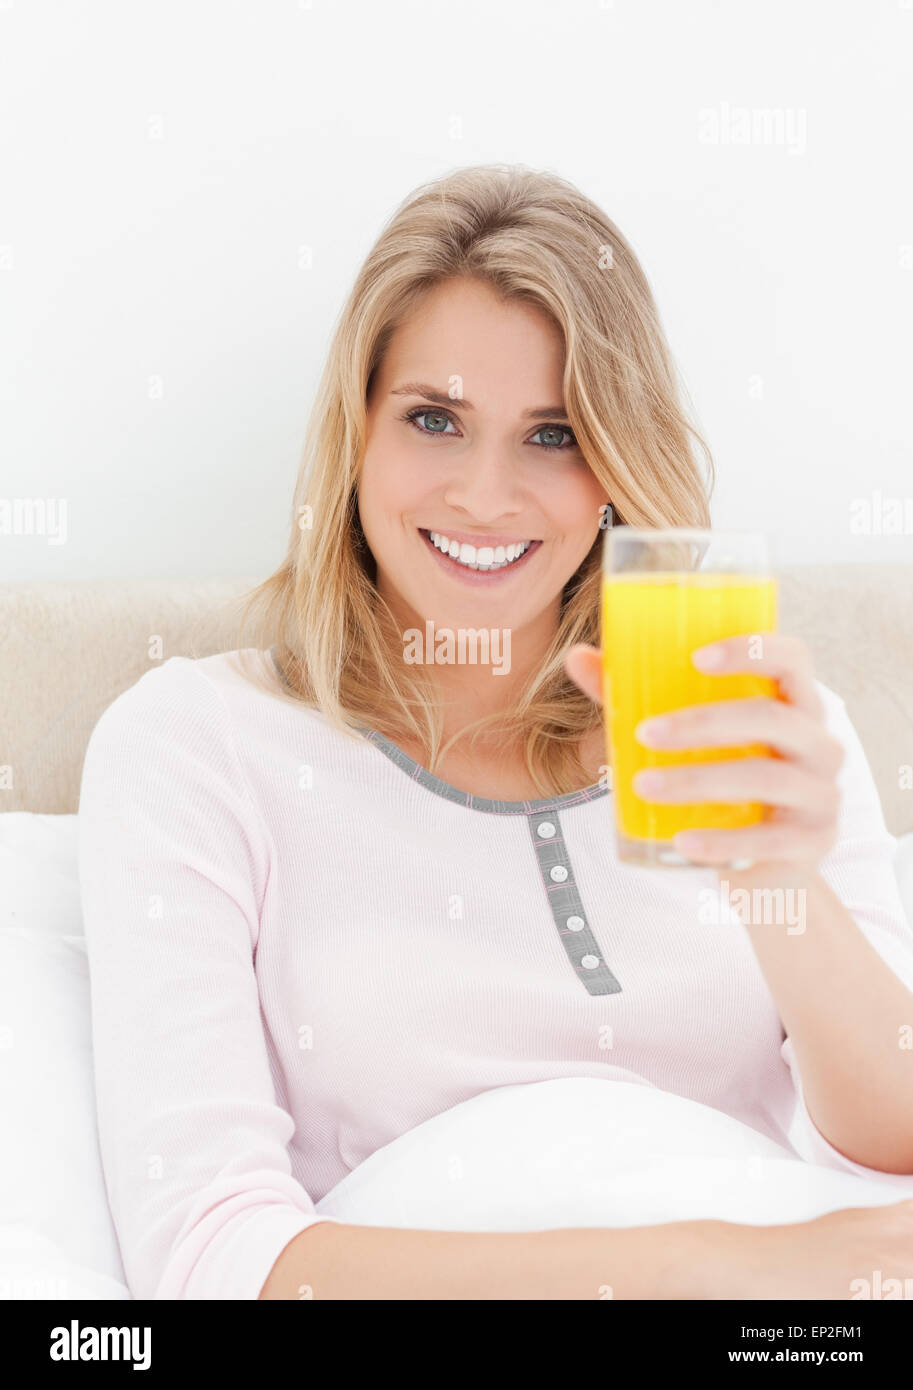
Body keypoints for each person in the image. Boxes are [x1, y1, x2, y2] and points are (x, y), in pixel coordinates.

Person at [78, 164, 913, 1300]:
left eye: (554, 435)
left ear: (618, 466)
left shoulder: (755, 726)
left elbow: (891, 1141)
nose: (484, 493)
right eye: (434, 419)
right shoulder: (196, 744)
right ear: (355, 439)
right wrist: (719, 1268)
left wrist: (775, 875)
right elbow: (218, 1262)